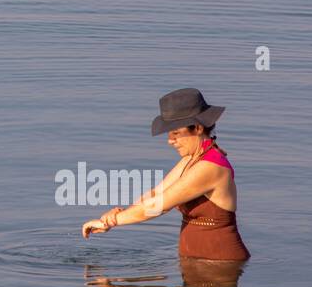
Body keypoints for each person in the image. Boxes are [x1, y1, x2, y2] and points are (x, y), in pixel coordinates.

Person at [81, 88, 249, 261]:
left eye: (176, 133)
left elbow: (159, 205)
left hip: (221, 266)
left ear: (198, 128)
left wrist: (114, 221)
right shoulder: (191, 159)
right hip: (199, 264)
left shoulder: (210, 168)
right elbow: (156, 194)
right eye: (169, 134)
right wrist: (120, 213)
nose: (170, 141)